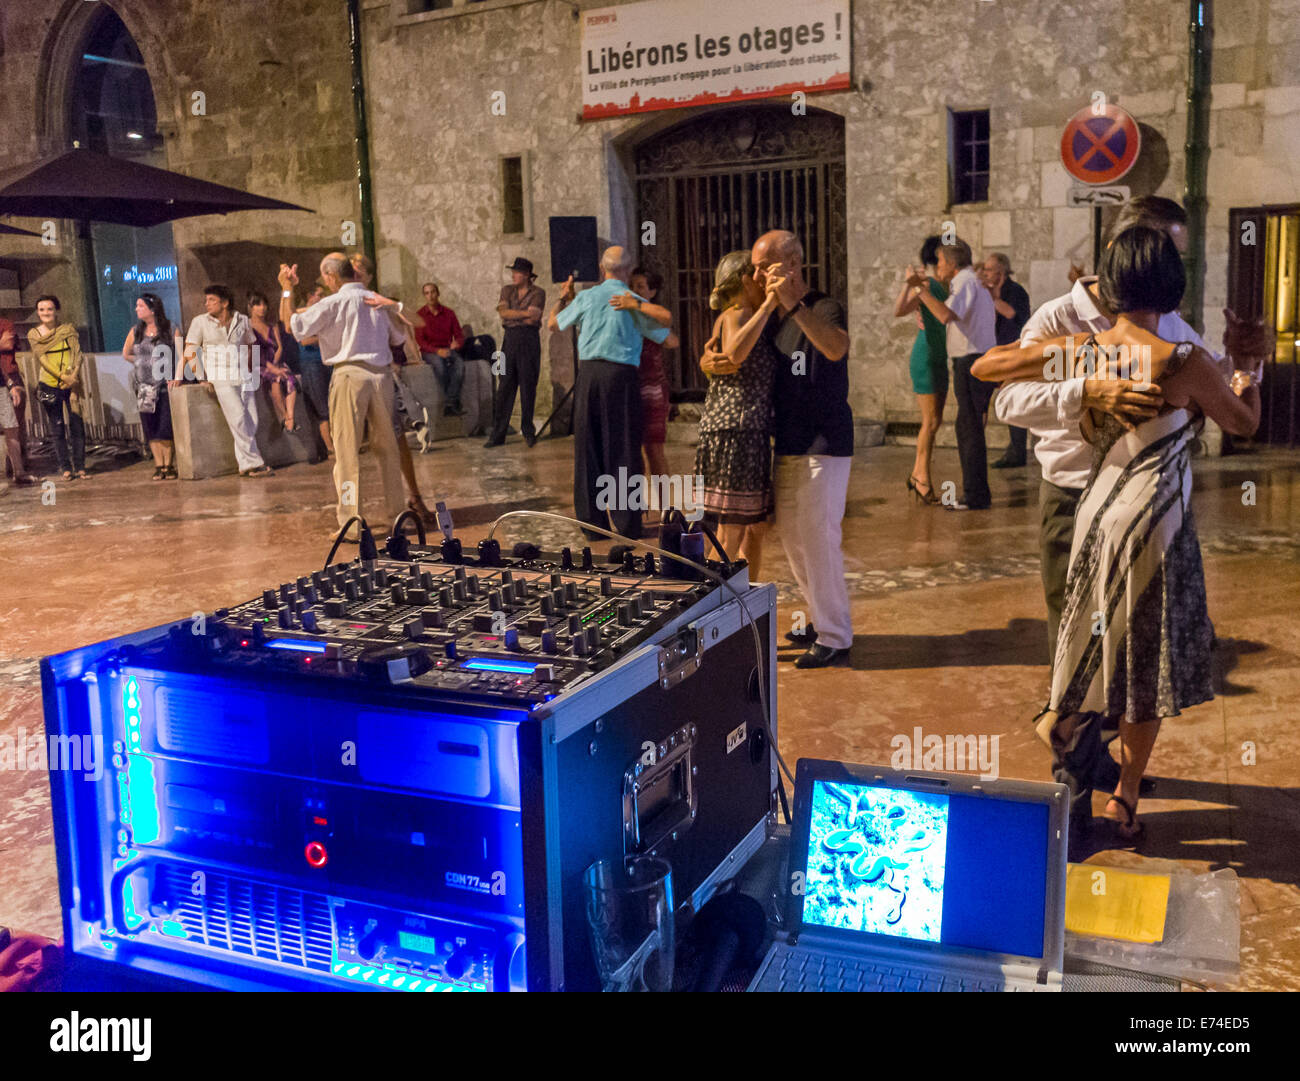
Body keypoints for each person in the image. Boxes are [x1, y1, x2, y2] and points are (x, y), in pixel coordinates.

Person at [1005, 227, 1261, 844]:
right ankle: (1122, 800)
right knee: (1146, 663)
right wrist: (1248, 371)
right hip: (1155, 519)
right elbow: (1244, 424)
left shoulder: (1086, 353)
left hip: (1095, 511)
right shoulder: (1184, 359)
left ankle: (1062, 719)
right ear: (1171, 287)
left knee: (1090, 634)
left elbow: (1005, 379)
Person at [739, 229, 853, 669]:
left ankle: (836, 636)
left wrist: (794, 305)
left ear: (791, 265)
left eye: (762, 265)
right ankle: (823, 620)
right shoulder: (773, 319)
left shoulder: (821, 306)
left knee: (820, 539)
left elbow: (836, 346)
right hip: (786, 443)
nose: (754, 274)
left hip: (824, 442)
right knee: (795, 541)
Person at [549, 245, 672, 538]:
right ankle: (628, 523)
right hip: (622, 377)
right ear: (628, 271)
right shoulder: (633, 301)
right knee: (623, 448)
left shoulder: (588, 297)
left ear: (602, 269)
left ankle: (593, 525)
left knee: (588, 447)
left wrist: (562, 299)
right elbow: (664, 334)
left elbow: (554, 324)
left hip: (589, 375)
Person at [280, 253, 405, 539]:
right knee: (388, 449)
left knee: (347, 452)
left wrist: (287, 288)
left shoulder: (333, 302)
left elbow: (293, 328)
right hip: (381, 375)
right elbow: (399, 338)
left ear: (331, 276)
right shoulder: (376, 299)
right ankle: (397, 517)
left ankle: (352, 523)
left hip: (349, 375)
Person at [695, 251, 780, 580]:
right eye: (757, 274)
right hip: (736, 432)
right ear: (745, 281)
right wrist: (768, 305)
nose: (763, 280)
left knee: (754, 528)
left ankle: (750, 601)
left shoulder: (742, 314)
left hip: (745, 430)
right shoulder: (739, 313)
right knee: (729, 534)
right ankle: (704, 605)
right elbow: (734, 354)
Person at [346, 253, 437, 525]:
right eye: (350, 270)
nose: (354, 274)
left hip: (381, 379)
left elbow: (417, 322)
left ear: (369, 276)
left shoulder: (377, 302)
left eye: (359, 270)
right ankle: (350, 516)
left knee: (396, 441)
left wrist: (392, 304)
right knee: (348, 448)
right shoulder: (342, 300)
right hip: (351, 379)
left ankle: (413, 497)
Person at [908, 238, 997, 510]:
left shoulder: (965, 282)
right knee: (968, 426)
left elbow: (947, 315)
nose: (939, 267)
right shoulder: (969, 282)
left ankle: (976, 495)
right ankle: (975, 492)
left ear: (953, 263)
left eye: (942, 262)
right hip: (974, 360)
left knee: (969, 428)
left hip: (971, 361)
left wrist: (920, 291)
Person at [185, 284, 272, 478]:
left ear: (224, 303)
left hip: (243, 375)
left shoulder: (242, 319)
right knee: (238, 417)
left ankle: (244, 464)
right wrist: (201, 377)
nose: (206, 303)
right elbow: (190, 350)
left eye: (212, 300)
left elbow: (250, 345)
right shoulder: (200, 322)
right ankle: (254, 463)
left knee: (252, 420)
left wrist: (251, 369)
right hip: (220, 376)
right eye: (206, 300)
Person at [893, 235, 947, 504]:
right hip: (925, 354)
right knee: (930, 421)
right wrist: (909, 284)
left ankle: (917, 474)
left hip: (941, 353)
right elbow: (899, 310)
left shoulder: (948, 281)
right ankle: (922, 478)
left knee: (935, 421)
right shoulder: (926, 284)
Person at [122, 293, 184, 480]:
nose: (137, 309)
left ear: (152, 308)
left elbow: (182, 355)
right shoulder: (136, 331)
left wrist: (176, 376)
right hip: (144, 387)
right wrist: (143, 362)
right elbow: (127, 353)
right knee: (151, 427)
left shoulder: (170, 328)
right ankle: (159, 465)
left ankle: (169, 464)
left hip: (165, 385)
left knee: (165, 426)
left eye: (140, 306)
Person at [980, 252, 1032, 468]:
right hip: (991, 352)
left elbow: (1011, 313)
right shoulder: (988, 293)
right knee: (982, 402)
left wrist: (993, 297)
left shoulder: (1015, 291)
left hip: (1012, 354)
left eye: (989, 269)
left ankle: (1017, 452)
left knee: (1013, 400)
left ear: (1001, 272)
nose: (986, 273)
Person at [28, 296, 88, 480]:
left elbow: (77, 354)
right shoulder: (34, 334)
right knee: (57, 427)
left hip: (73, 382)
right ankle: (65, 468)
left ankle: (80, 467)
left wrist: (73, 377)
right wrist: (62, 377)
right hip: (50, 384)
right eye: (42, 309)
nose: (46, 313)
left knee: (77, 424)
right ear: (38, 312)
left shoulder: (67, 330)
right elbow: (42, 360)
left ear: (57, 310)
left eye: (50, 309)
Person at [489, 258, 546, 448]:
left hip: (529, 340)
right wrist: (523, 314)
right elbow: (503, 313)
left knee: (528, 385)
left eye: (517, 272)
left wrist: (513, 314)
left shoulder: (538, 292)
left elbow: (535, 317)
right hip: (509, 340)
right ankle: (498, 434)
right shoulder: (507, 290)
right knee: (504, 385)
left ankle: (528, 431)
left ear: (527, 275)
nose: (513, 275)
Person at [628, 267, 674, 500]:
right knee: (631, 449)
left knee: (654, 448)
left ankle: (666, 506)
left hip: (652, 386)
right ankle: (637, 504)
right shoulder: (628, 313)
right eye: (631, 285)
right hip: (630, 385)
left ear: (652, 292)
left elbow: (672, 340)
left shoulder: (652, 314)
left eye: (640, 286)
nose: (633, 291)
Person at [290, 282, 335, 456]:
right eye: (319, 294)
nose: (322, 298)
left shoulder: (320, 314)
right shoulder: (303, 314)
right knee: (321, 406)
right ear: (310, 296)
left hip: (325, 361)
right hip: (311, 363)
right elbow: (304, 340)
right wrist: (325, 337)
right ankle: (329, 447)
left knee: (332, 403)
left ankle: (335, 443)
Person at [248, 291, 298, 433]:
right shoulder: (247, 326)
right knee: (275, 379)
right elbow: (254, 354)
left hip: (274, 362)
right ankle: (284, 416)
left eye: (264, 304)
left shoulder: (272, 325)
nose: (262, 308)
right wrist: (271, 368)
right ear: (251, 307)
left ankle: (290, 418)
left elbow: (280, 347)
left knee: (289, 378)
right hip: (259, 365)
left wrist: (275, 364)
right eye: (257, 304)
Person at [414, 282, 466, 416]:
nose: (430, 296)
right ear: (424, 296)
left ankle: (450, 402)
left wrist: (457, 344)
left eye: (433, 292)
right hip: (430, 351)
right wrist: (437, 351)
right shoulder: (420, 315)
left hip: (447, 348)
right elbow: (420, 341)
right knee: (440, 366)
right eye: (427, 293)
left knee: (459, 365)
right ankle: (452, 402)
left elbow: (459, 335)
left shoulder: (449, 313)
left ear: (438, 293)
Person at [1, 314, 31, 483]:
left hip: (5, 378)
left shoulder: (5, 324)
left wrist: (11, 384)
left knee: (13, 425)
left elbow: (8, 343)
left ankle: (18, 470)